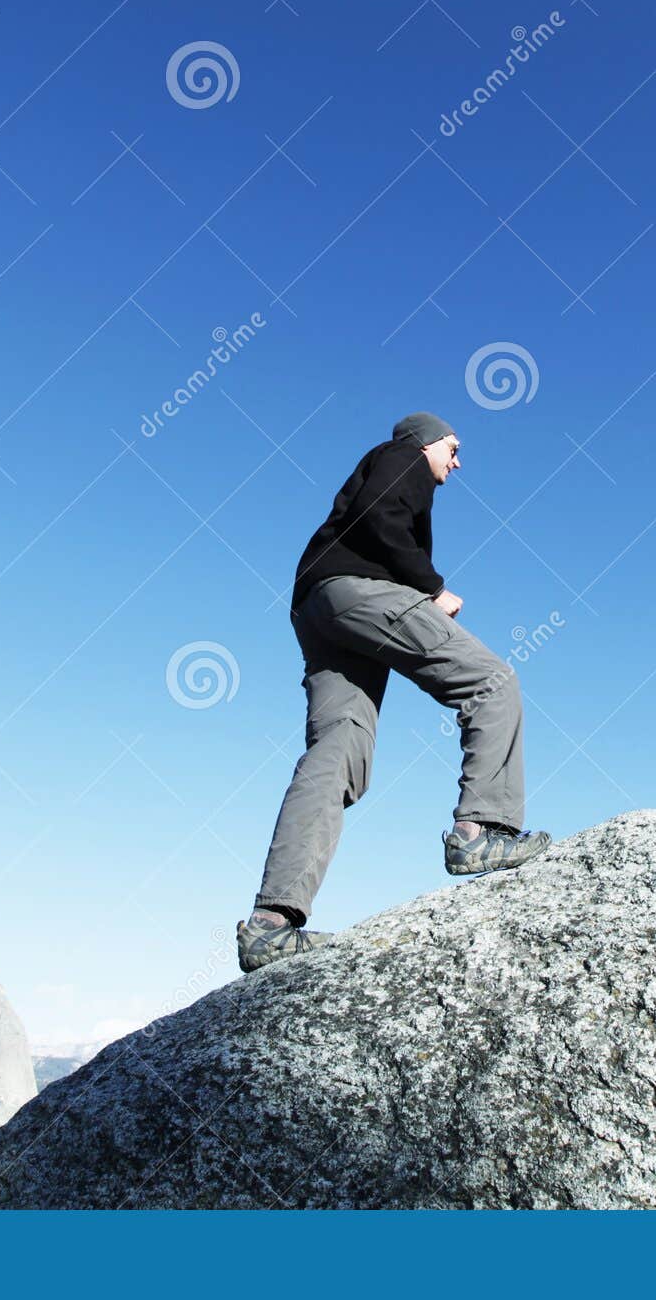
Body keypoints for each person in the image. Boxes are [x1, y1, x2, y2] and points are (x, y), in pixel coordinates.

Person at [237, 411, 551, 973]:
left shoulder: (392, 467)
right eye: (453, 448)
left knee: (337, 752)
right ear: (427, 441)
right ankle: (485, 829)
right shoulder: (402, 456)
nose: (457, 461)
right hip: (359, 592)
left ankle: (271, 926)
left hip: (317, 605)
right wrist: (432, 589)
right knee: (492, 681)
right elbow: (376, 513)